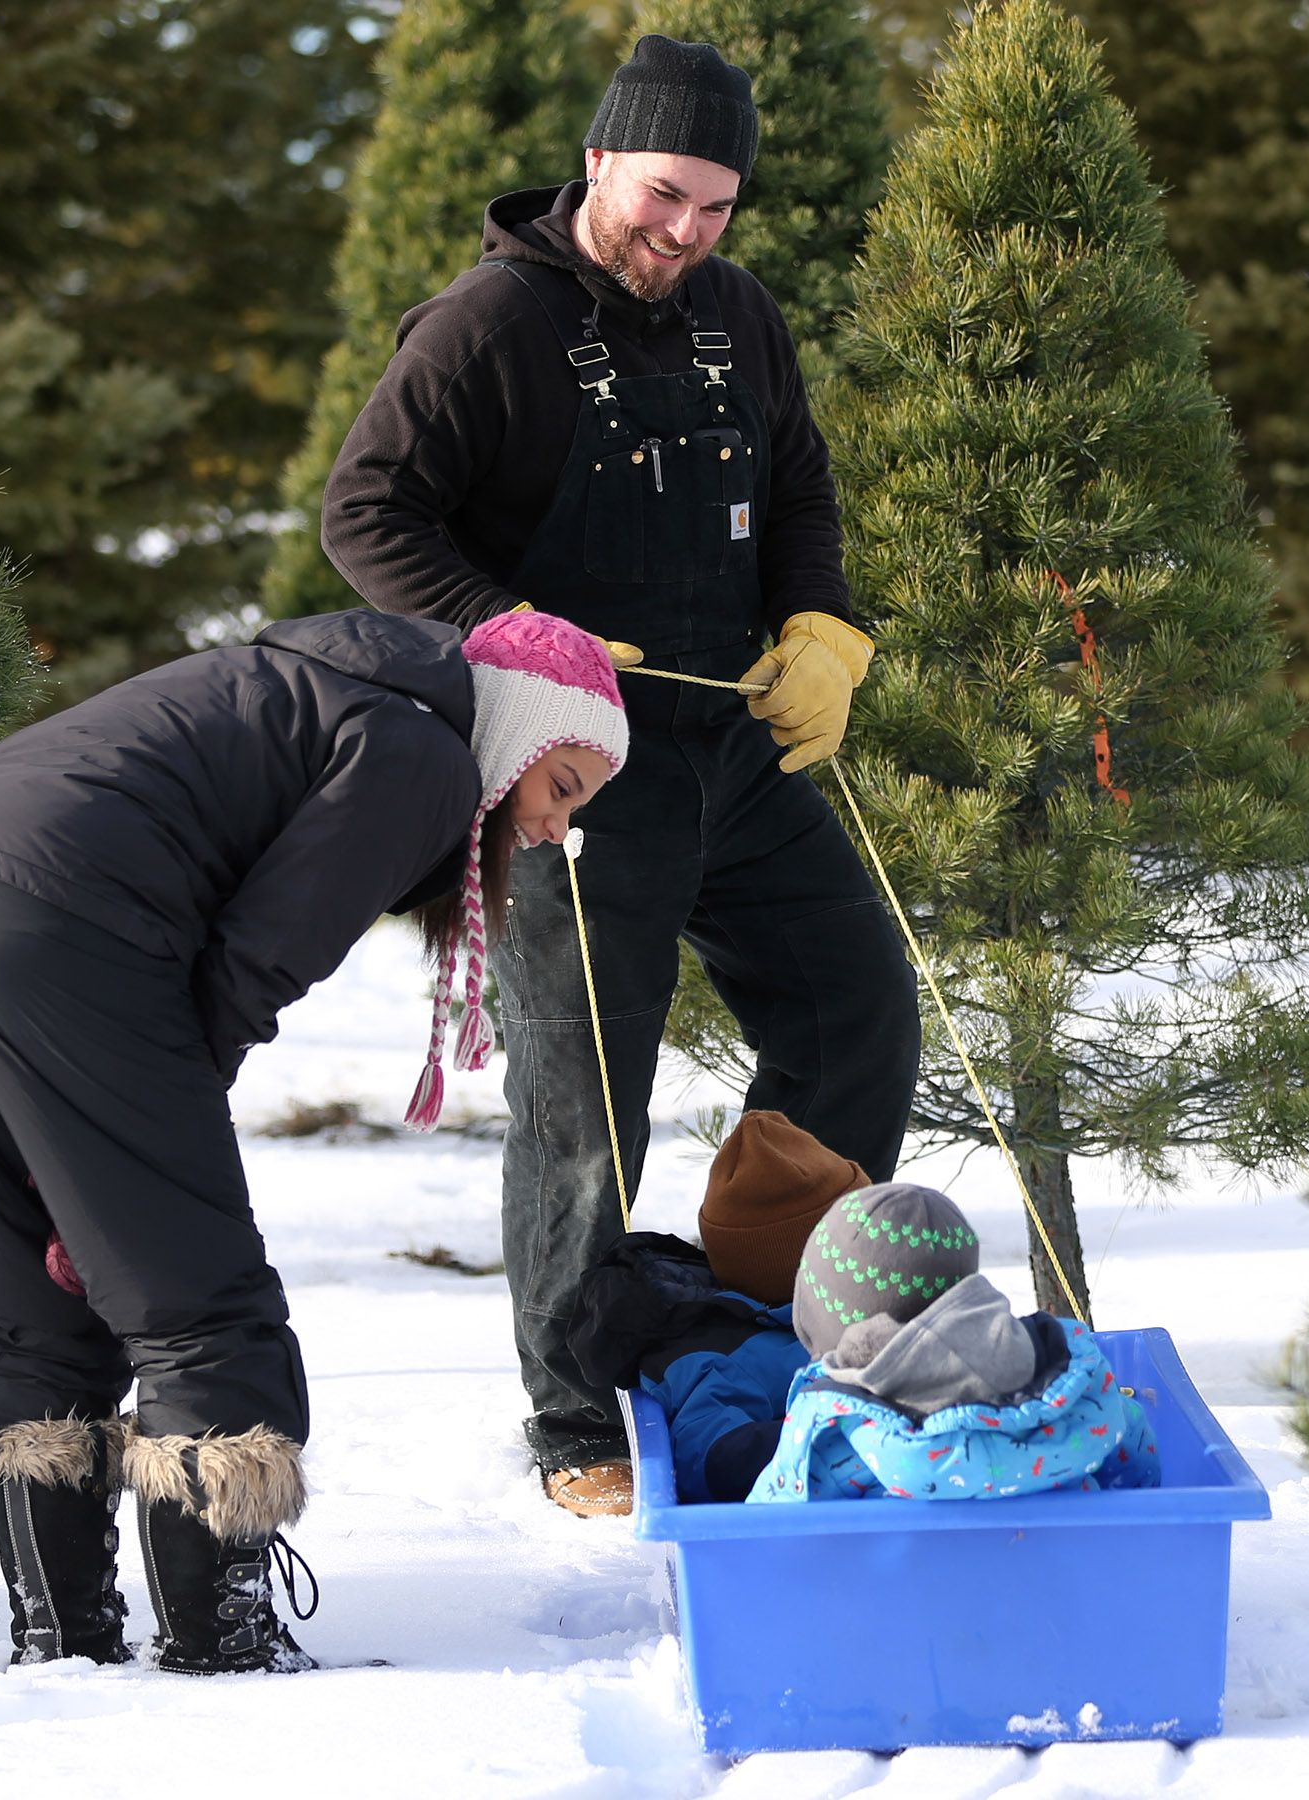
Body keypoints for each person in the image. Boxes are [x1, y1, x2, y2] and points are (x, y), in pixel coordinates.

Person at [318, 35, 921, 1516]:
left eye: (717, 207)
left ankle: (772, 1324)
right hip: (573, 773)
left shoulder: (738, 314)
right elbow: (367, 511)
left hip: (740, 755)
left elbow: (797, 484)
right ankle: (577, 1419)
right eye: (663, 195)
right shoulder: (489, 324)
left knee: (857, 1003)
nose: (686, 230)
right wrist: (512, 631)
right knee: (586, 1101)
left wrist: (823, 625)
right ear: (598, 162)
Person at [0, 608, 628, 1672]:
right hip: (51, 914)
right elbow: (259, 959)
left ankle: (62, 1646)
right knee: (204, 1312)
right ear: (518, 731)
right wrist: (142, 1132)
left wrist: (97, 1149)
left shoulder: (315, 686)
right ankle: (221, 1641)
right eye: (561, 787)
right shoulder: (424, 752)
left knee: (39, 1306)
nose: (550, 827)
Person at [746, 1184, 1160, 1502]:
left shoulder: (827, 1432)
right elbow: (1138, 1471)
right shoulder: (1081, 1387)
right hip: (1069, 1581)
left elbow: (768, 1538)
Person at [563, 1109, 866, 1506]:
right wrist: (849, 1440)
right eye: (857, 1246)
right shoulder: (719, 1354)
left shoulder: (847, 1314)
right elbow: (713, 1454)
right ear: (804, 1267)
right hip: (798, 1524)